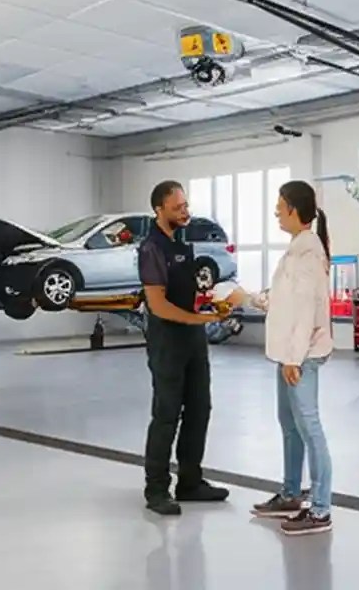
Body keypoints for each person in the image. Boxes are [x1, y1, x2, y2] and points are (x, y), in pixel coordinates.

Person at [229, 180, 335, 536]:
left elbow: (306, 310)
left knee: (309, 427)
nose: (275, 211)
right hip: (288, 354)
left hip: (300, 356)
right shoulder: (295, 249)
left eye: (279, 206)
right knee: (289, 425)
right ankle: (291, 494)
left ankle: (320, 509)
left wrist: (293, 359)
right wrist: (247, 298)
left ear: (293, 209)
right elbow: (285, 301)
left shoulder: (308, 252)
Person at [138, 180, 230, 516]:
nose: (185, 212)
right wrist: (196, 319)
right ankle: (156, 489)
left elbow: (188, 294)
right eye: (178, 208)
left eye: (185, 205)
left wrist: (212, 305)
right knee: (166, 415)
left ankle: (190, 482)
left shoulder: (181, 244)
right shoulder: (152, 249)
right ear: (159, 210)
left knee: (199, 409)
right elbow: (159, 306)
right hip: (167, 341)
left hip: (192, 339)